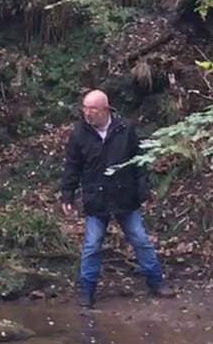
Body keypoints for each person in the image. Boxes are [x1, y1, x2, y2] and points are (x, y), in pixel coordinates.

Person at [60, 89, 174, 308]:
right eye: (85, 108)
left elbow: (139, 161)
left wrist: (143, 190)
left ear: (105, 109)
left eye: (92, 109)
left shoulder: (125, 129)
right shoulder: (79, 134)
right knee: (92, 245)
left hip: (125, 195)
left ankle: (156, 282)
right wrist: (68, 195)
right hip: (96, 197)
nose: (87, 113)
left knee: (140, 239)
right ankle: (87, 291)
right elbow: (72, 167)